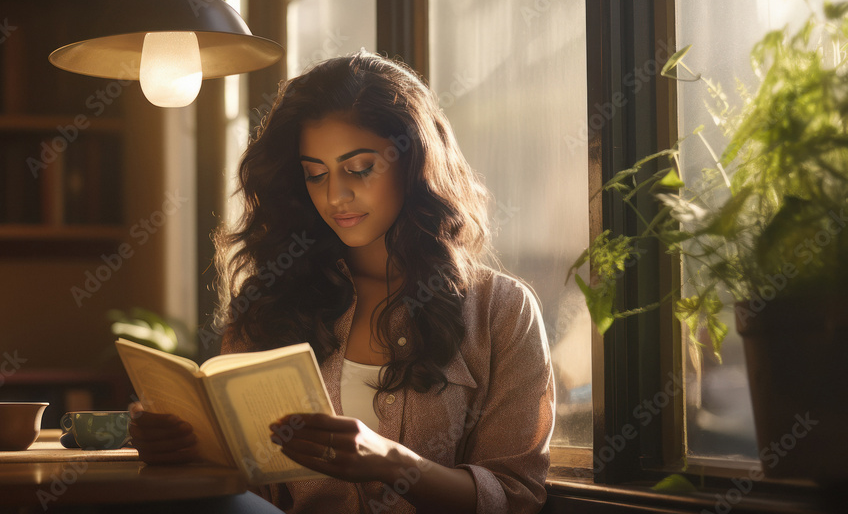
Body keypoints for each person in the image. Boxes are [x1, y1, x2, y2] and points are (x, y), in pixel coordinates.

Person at [129, 51, 555, 514]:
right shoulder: (272, 302)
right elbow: (252, 489)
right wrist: (184, 452)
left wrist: (390, 462)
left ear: (414, 163)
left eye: (359, 169)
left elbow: (516, 497)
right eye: (315, 174)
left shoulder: (501, 310)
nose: (336, 196)